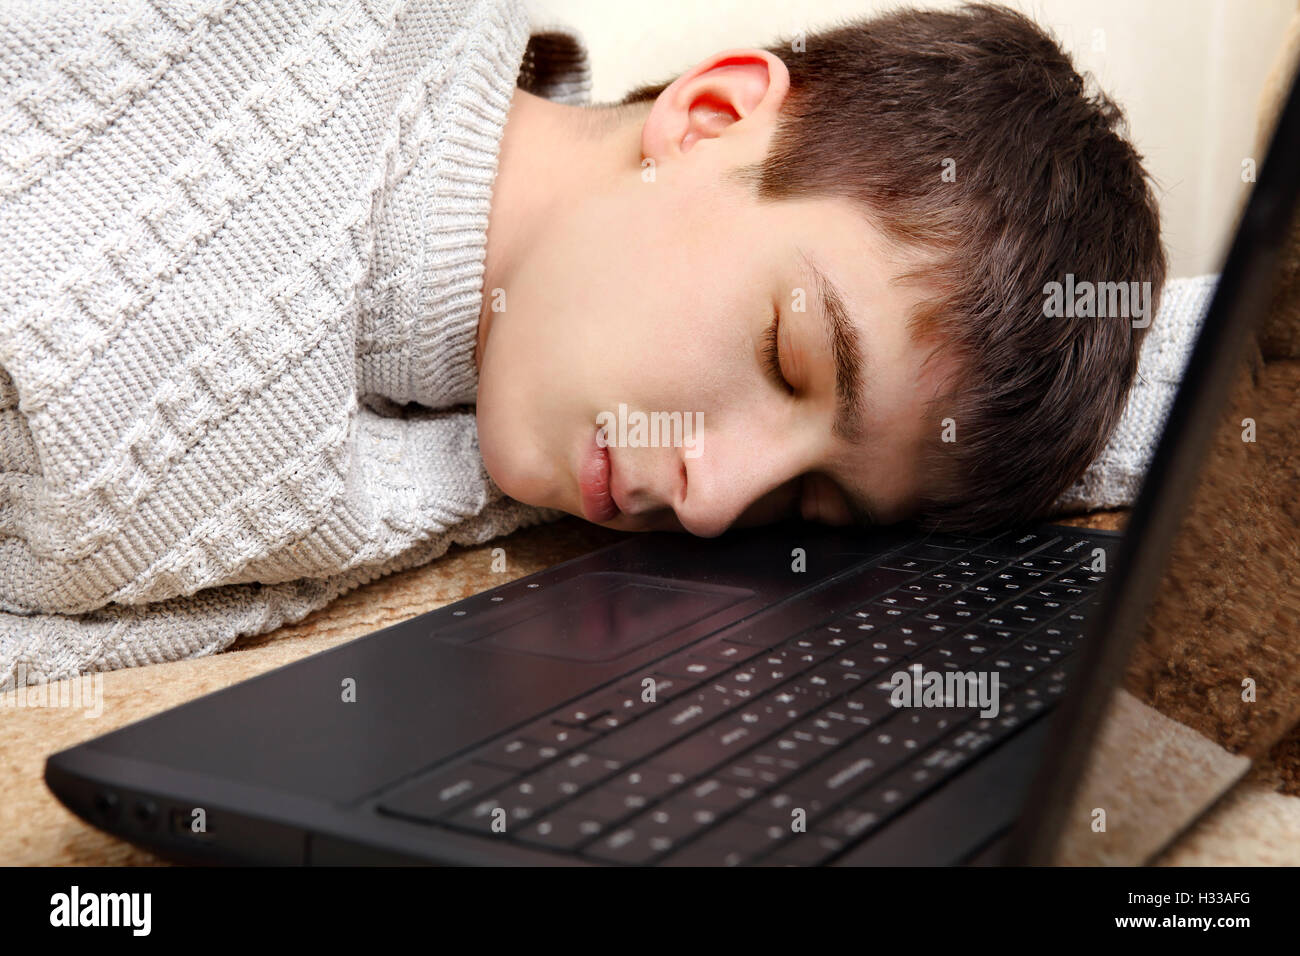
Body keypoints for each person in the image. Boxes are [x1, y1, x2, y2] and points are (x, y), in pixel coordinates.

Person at [0, 0, 1165, 685]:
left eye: (811, 504)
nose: (713, 504)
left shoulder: (526, 390)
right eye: (788, 357)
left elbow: (1178, 382)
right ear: (710, 117)